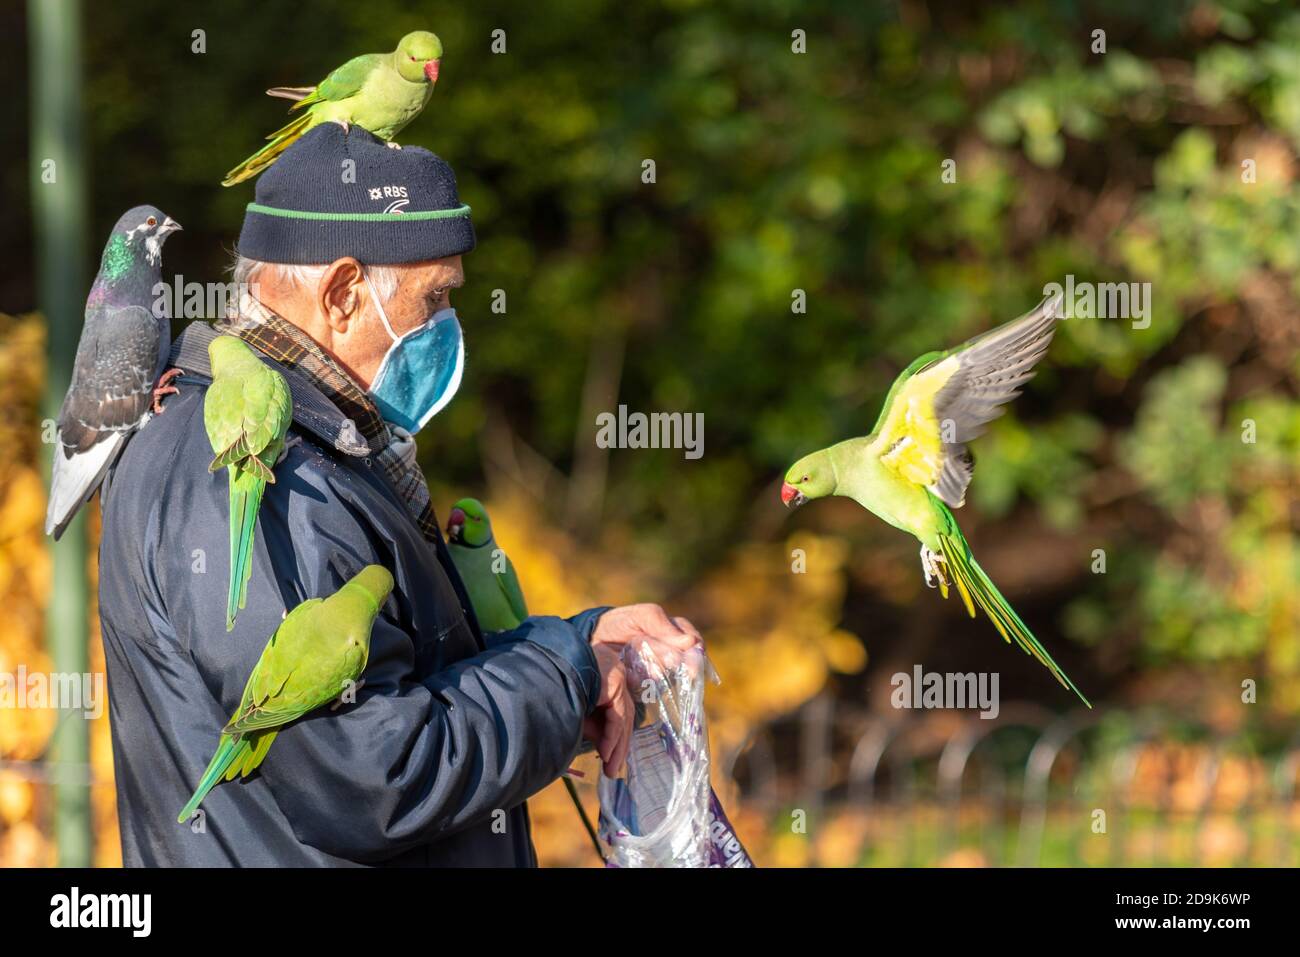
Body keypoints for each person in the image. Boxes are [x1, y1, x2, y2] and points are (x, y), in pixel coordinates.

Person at [98, 123, 701, 866]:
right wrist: (563, 670)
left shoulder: (317, 445)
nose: (447, 326)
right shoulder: (267, 472)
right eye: (435, 297)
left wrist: (582, 644)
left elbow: (401, 689)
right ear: (345, 293)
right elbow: (369, 774)